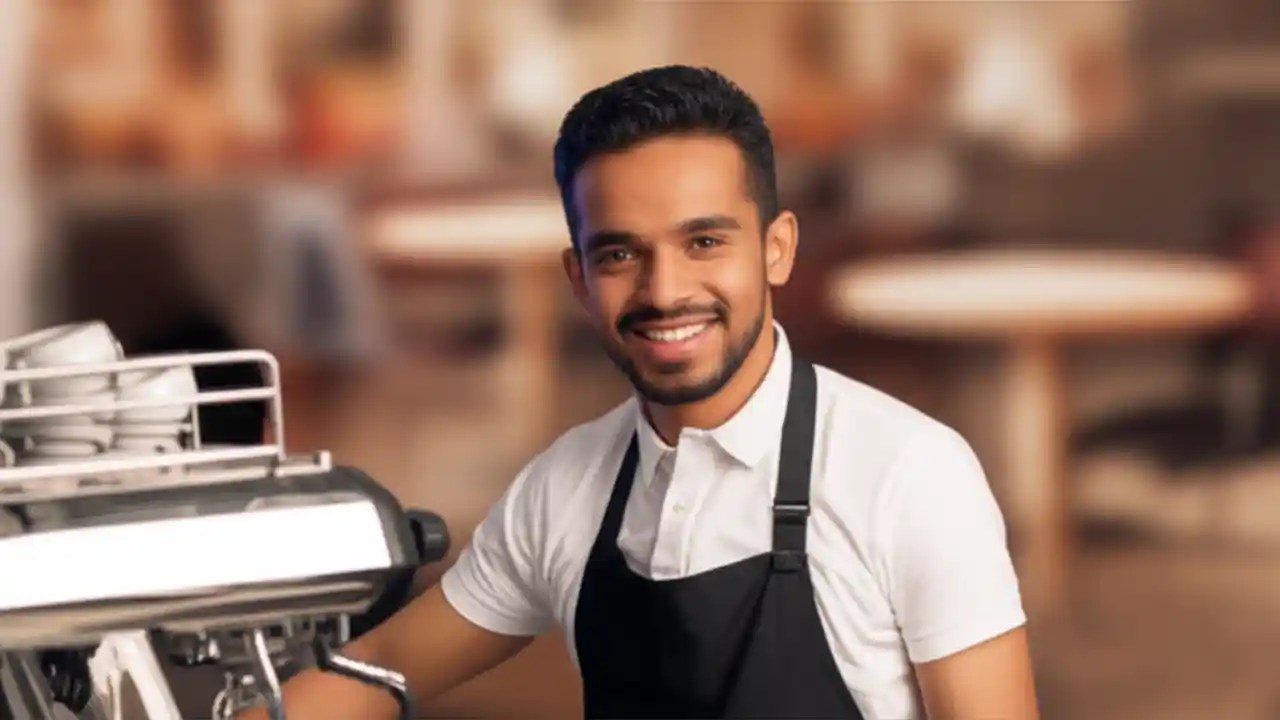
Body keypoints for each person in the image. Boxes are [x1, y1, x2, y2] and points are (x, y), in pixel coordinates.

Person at [243, 65, 1038, 720]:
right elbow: (384, 665)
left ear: (777, 250)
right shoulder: (566, 488)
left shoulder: (908, 472)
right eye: (621, 254)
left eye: (703, 243)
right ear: (579, 279)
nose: (665, 290)